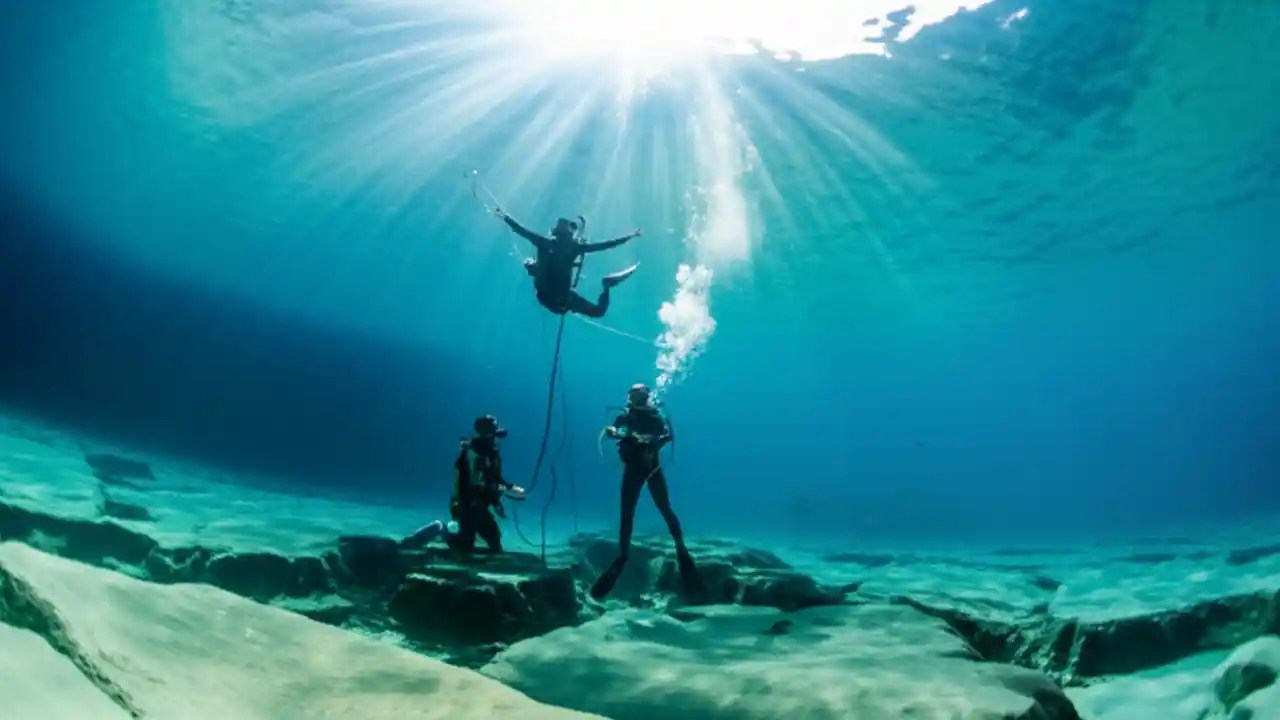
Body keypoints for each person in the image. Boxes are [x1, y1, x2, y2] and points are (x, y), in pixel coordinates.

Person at [590, 383, 702, 601]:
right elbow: (615, 432)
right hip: (633, 470)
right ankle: (623, 555)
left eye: (641, 396)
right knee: (627, 513)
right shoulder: (625, 417)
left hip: (652, 470)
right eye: (634, 396)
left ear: (647, 397)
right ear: (629, 397)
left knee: (663, 508)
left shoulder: (656, 417)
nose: (637, 400)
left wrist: (649, 440)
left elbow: (664, 436)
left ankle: (680, 547)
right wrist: (615, 432)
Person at [496, 210, 641, 318]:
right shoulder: (572, 247)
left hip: (553, 297)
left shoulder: (546, 242)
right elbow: (605, 245)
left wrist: (505, 218)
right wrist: (629, 237)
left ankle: (607, 285)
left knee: (597, 311)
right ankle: (607, 285)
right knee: (598, 312)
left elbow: (521, 231)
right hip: (560, 298)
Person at [448, 414, 525, 554]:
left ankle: (451, 536)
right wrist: (503, 493)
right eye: (493, 429)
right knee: (466, 544)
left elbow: (493, 478)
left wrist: (507, 489)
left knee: (493, 537)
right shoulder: (476, 452)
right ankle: (440, 531)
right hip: (470, 504)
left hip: (477, 503)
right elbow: (477, 482)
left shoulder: (489, 451)